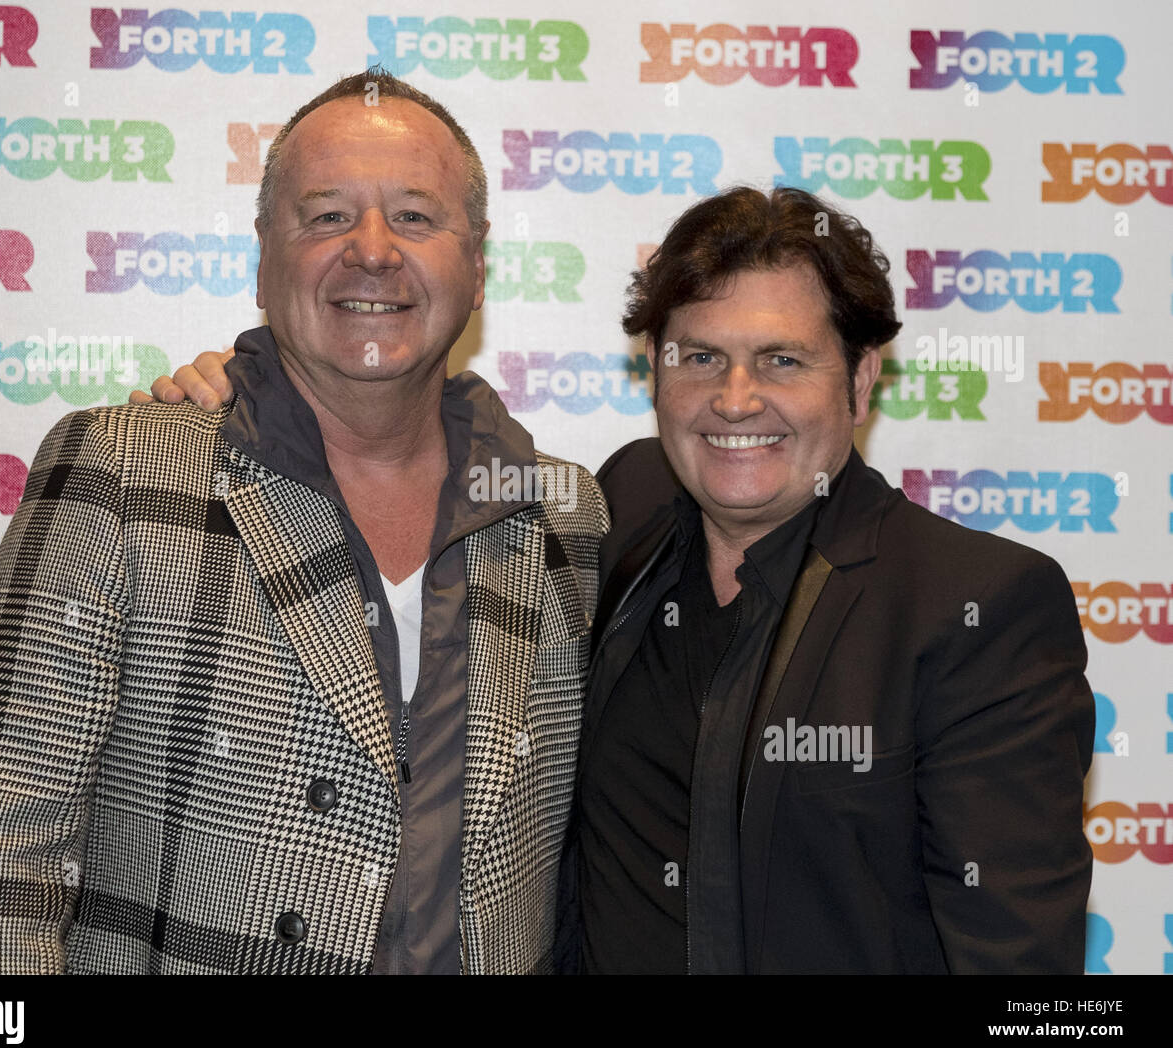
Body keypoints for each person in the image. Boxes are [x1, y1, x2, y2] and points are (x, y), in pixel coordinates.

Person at [156, 186, 1095, 975]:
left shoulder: (975, 606)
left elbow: (1020, 975)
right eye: (698, 358)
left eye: (782, 360)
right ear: (654, 375)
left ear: (860, 381)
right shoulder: (620, 511)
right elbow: (406, 445)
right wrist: (248, 395)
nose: (734, 400)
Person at [0, 70, 607, 975]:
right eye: (327, 216)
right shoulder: (121, 475)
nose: (372, 251)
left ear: (476, 264)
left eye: (415, 216)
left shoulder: (567, 517)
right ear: (262, 255)